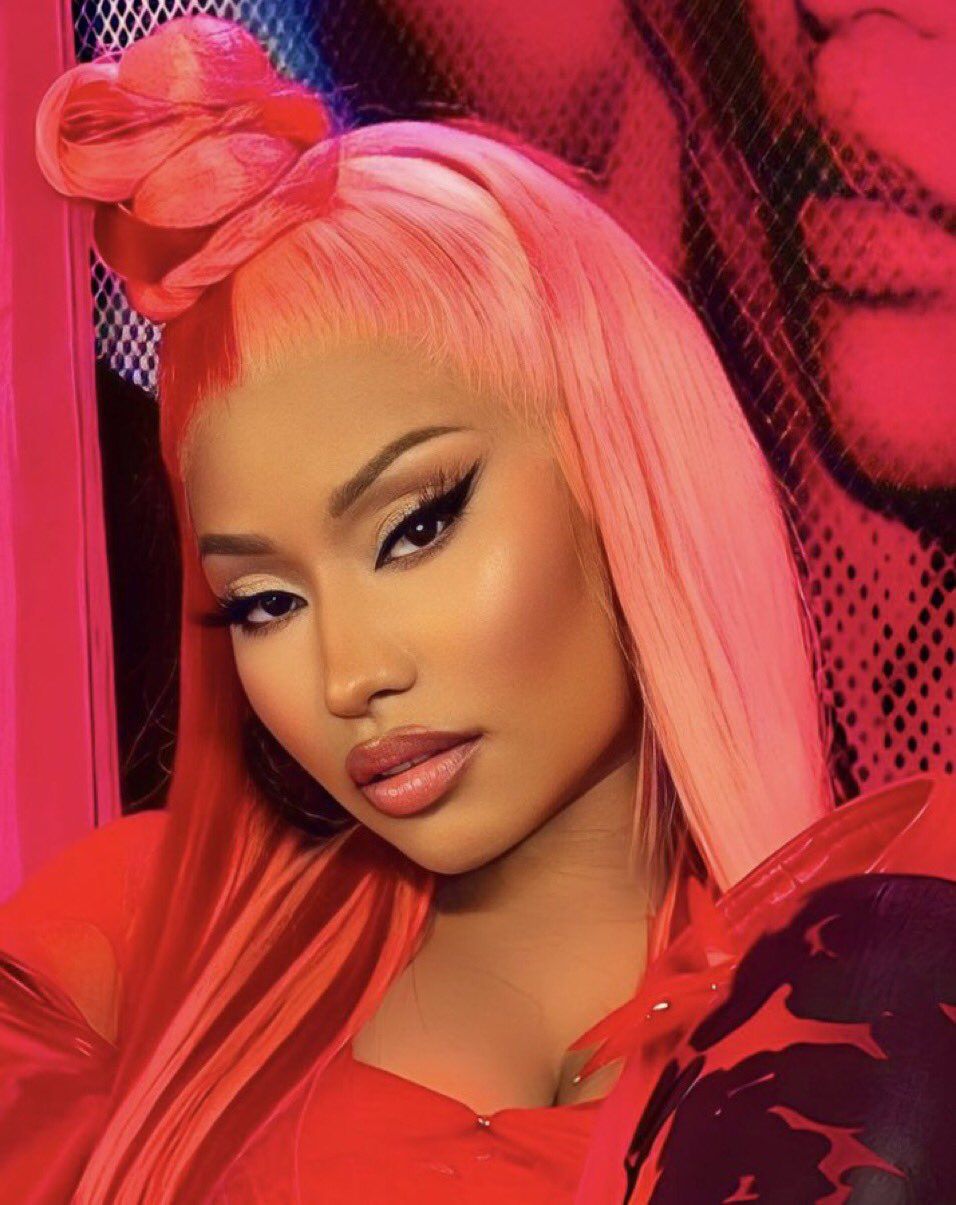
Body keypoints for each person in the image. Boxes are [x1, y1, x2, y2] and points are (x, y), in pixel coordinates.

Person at [1, 15, 951, 1203]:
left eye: (415, 526)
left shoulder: (877, 982)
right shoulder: (133, 949)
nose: (348, 674)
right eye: (265, 600)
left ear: (619, 472)